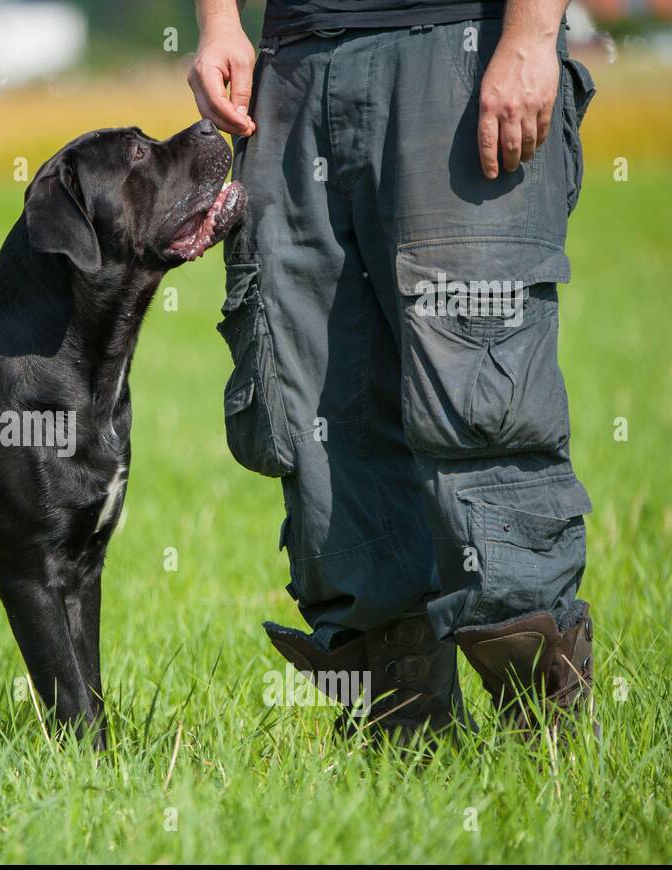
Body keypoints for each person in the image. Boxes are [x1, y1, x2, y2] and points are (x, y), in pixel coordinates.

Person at [189, 0, 597, 741]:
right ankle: (404, 749)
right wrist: (219, 22)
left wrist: (532, 35)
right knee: (317, 419)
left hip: (462, 45)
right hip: (294, 63)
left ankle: (550, 752)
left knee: (481, 402)